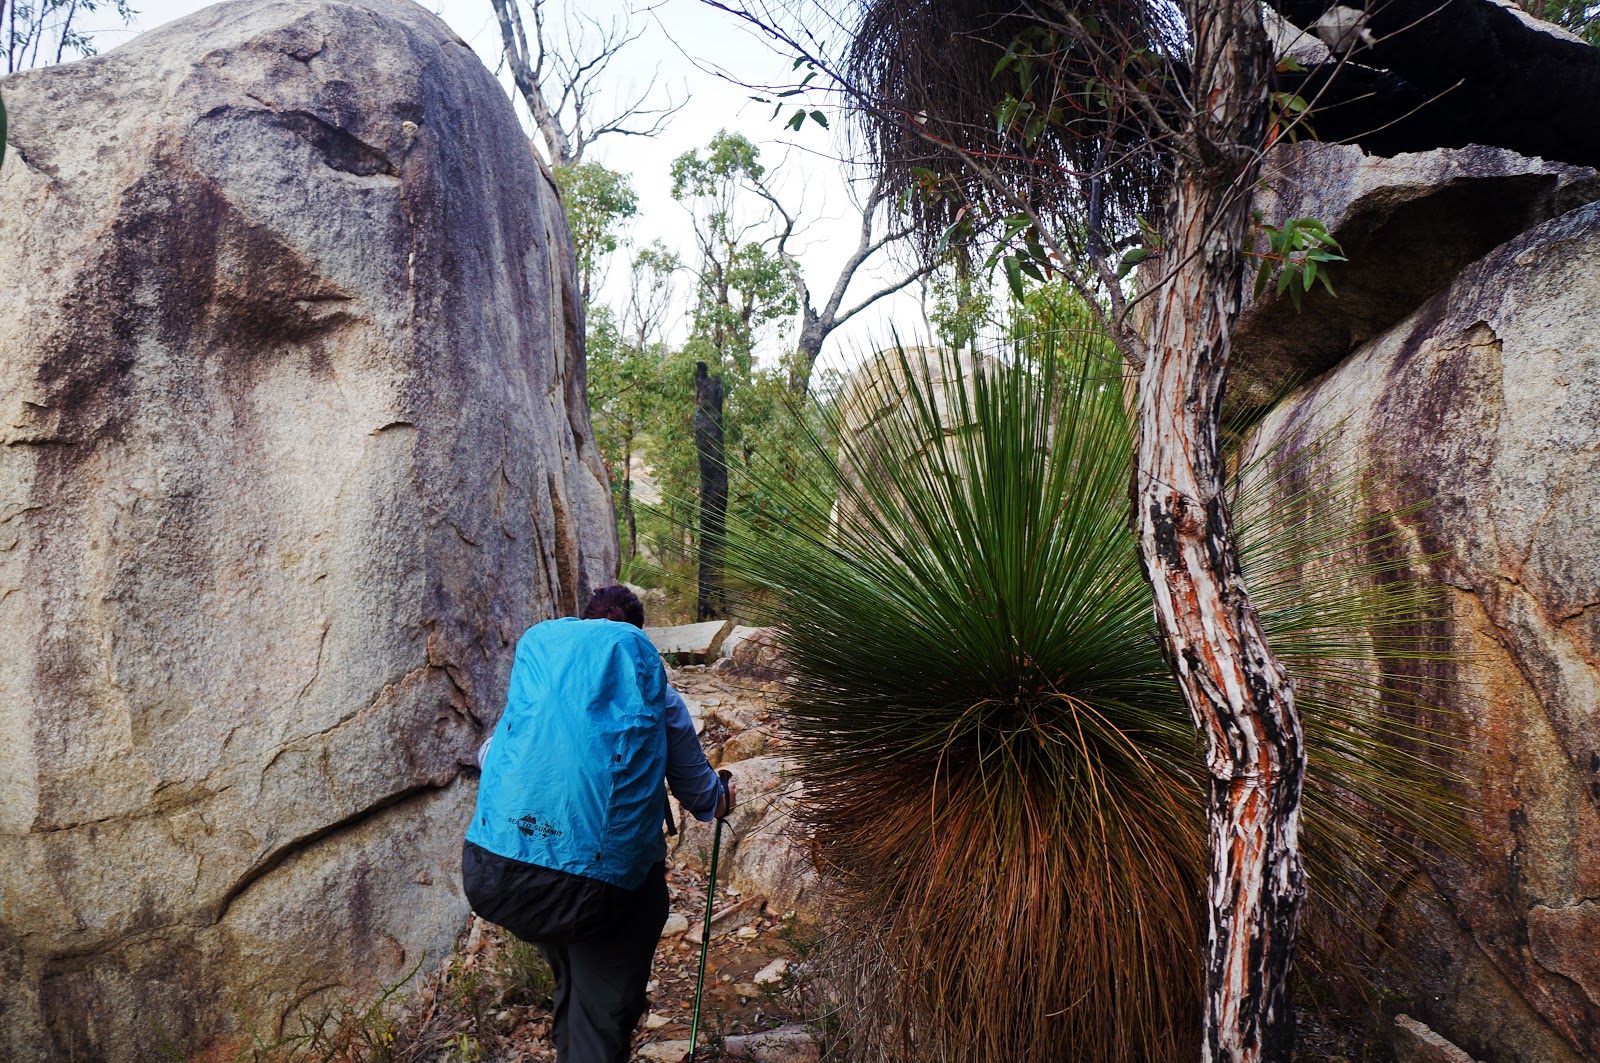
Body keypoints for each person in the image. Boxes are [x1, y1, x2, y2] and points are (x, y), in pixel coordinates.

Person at [462, 585, 734, 1063]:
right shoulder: (659, 696)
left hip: (512, 871)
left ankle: (571, 1041)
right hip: (605, 891)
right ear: (638, 635)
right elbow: (699, 793)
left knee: (569, 972)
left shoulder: (546, 683)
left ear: (584, 623)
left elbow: (490, 755)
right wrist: (724, 794)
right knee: (601, 1012)